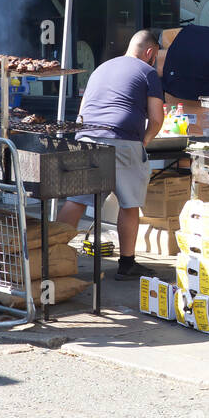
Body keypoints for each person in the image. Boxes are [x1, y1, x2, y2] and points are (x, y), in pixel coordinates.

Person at [58, 30, 165, 280]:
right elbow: (158, 118)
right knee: (129, 203)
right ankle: (127, 264)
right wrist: (144, 142)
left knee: (76, 199)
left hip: (85, 137)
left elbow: (83, 109)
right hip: (122, 139)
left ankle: (52, 254)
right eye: (155, 55)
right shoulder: (147, 72)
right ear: (150, 52)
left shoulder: (102, 68)